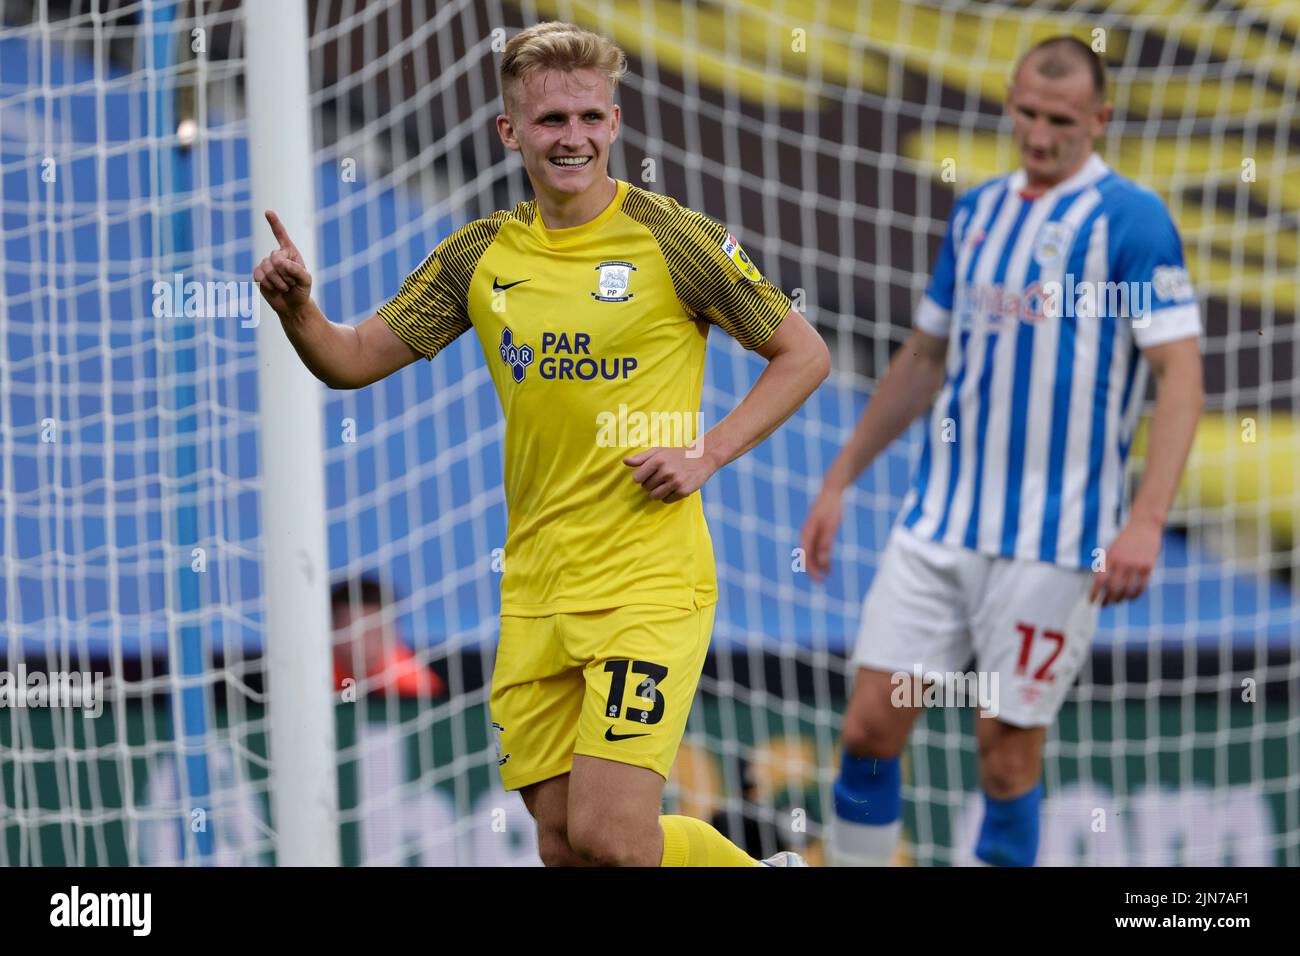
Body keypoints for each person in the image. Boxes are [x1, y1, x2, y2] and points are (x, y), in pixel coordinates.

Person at [254, 20, 829, 866]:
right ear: (510, 131)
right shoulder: (480, 256)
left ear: (616, 123)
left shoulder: (673, 238)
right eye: (553, 120)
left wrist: (708, 453)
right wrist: (298, 309)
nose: (574, 139)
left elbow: (803, 354)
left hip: (647, 585)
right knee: (565, 847)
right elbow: (351, 358)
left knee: (612, 836)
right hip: (534, 590)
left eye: (591, 118)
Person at [801, 36, 1204, 866]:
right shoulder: (979, 211)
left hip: (1056, 546)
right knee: (872, 726)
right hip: (940, 526)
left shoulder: (1129, 220)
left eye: (1061, 120)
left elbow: (1181, 376)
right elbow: (923, 358)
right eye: (1026, 113)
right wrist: (840, 478)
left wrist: (1146, 520)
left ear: (1100, 119)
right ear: (1009, 104)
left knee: (1005, 754)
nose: (1040, 134)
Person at [330, 576, 445, 698]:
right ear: (331, 629)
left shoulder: (414, 684)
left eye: (372, 632)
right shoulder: (315, 675)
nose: (362, 644)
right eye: (350, 631)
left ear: (395, 631)